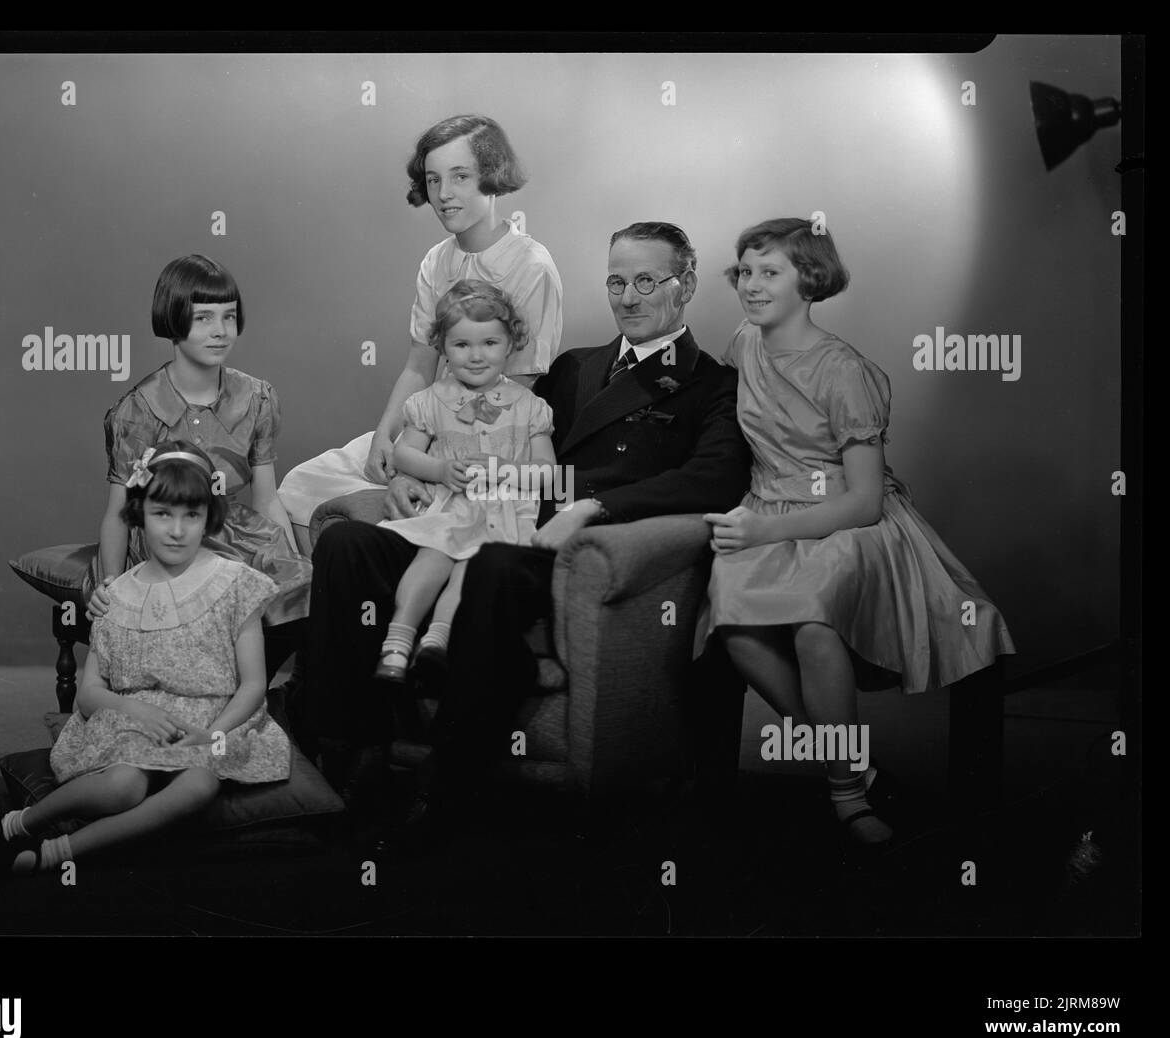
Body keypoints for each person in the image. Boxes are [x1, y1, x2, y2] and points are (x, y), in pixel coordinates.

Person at [304, 221, 750, 845]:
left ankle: (446, 786)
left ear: (688, 285)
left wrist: (591, 505)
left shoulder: (713, 385)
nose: (628, 296)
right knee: (347, 544)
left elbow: (712, 480)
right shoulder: (574, 369)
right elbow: (493, 429)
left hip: (572, 552)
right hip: (494, 520)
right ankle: (353, 756)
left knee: (492, 568)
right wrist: (422, 476)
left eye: (647, 280)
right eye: (617, 280)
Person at [704, 218, 1016, 845]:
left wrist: (763, 531)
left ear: (810, 280)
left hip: (844, 519)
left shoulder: (845, 371)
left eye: (771, 272)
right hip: (765, 508)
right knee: (734, 626)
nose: (752, 285)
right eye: (745, 271)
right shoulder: (743, 342)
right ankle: (852, 765)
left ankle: (847, 796)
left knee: (814, 620)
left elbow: (866, 501)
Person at [0, 441, 291, 873]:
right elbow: (88, 694)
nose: (177, 530)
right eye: (163, 514)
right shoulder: (117, 596)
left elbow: (254, 684)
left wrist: (213, 734)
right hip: (135, 720)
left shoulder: (236, 583)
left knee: (198, 785)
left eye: (191, 516)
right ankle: (17, 825)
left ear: (208, 519)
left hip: (213, 721)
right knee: (123, 786)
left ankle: (58, 853)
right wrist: (133, 709)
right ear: (139, 514)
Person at [277, 114, 563, 530]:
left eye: (460, 176)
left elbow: (515, 389)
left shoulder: (531, 265)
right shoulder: (437, 260)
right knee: (300, 487)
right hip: (427, 422)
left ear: (492, 176)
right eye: (433, 180)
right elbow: (418, 366)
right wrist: (384, 437)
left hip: (489, 441)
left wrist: (421, 464)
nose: (444, 194)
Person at [84, 255, 309, 717]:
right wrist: (111, 582)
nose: (220, 330)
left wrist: (290, 562)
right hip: (168, 538)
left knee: (303, 584)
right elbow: (118, 510)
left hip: (233, 529)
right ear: (174, 319)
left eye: (229, 316)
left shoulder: (258, 398)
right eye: (203, 317)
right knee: (216, 586)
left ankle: (253, 695)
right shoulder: (139, 408)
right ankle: (211, 699)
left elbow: (266, 497)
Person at [373, 280, 556, 685]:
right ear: (442, 348)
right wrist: (439, 471)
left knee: (472, 570)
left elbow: (547, 473)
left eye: (490, 343)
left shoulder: (530, 409)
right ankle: (396, 643)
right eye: (461, 345)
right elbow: (404, 453)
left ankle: (436, 642)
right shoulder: (430, 402)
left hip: (502, 515)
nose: (476, 356)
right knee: (432, 557)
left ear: (510, 344)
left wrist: (502, 467)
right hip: (451, 506)